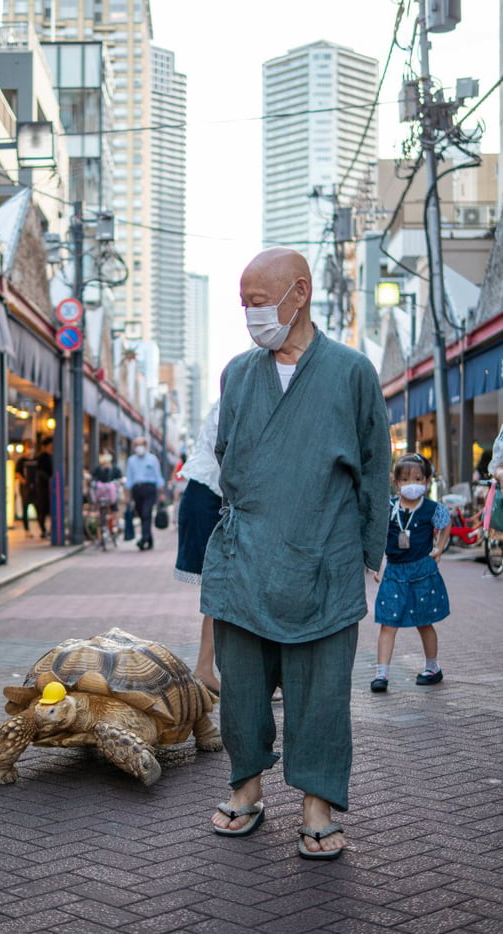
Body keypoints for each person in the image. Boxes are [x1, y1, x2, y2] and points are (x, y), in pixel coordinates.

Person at [201, 247, 391, 857]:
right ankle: (247, 787)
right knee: (244, 684)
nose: (251, 317)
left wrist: (367, 553)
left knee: (323, 688)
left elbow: (375, 467)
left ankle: (317, 801)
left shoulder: (352, 371)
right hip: (247, 554)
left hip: (323, 555)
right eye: (244, 306)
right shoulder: (237, 373)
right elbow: (227, 456)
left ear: (299, 293)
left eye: (258, 303)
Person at [370, 453, 451, 694]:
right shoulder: (389, 507)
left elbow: (446, 523)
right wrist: (377, 564)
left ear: (426, 482)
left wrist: (439, 548)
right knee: (387, 623)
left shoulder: (432, 508)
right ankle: (381, 674)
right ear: (396, 482)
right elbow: (378, 535)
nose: (411, 483)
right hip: (394, 572)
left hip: (423, 572)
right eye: (405, 479)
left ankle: (432, 668)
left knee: (425, 622)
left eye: (417, 478)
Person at [174, 401, 222, 694]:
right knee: (223, 588)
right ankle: (204, 668)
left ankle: (206, 667)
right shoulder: (235, 396)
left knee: (228, 589)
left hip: (213, 497)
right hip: (209, 498)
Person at [125, 436, 166, 550]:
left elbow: (158, 476)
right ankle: (149, 539)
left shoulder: (152, 459)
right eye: (137, 445)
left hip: (150, 489)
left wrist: (161, 493)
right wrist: (127, 496)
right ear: (134, 447)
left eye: (141, 444)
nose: (139, 447)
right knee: (141, 514)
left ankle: (143, 540)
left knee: (146, 513)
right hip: (136, 489)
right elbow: (129, 478)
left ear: (145, 446)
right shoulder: (131, 460)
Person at [90, 450, 123, 538]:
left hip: (111, 496)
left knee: (113, 510)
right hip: (100, 495)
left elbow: (120, 479)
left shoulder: (115, 469)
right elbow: (92, 478)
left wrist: (117, 485)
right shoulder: (98, 469)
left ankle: (114, 527)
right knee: (98, 513)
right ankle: (99, 536)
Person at [15, 440, 39, 538]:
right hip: (25, 487)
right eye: (28, 447)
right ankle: (27, 530)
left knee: (38, 506)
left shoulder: (36, 459)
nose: (30, 449)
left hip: (36, 486)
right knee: (25, 507)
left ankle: (41, 527)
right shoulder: (21, 460)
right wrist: (23, 480)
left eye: (31, 447)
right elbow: (17, 473)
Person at [34, 437, 53, 539]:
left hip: (52, 487)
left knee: (51, 510)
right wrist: (48, 479)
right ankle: (43, 530)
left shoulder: (53, 456)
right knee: (43, 510)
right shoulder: (42, 457)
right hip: (43, 487)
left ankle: (50, 530)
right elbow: (40, 472)